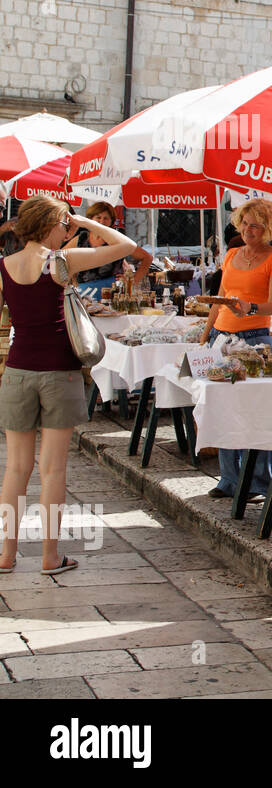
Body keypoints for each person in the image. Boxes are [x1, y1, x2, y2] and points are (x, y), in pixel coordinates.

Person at [0, 197, 139, 577]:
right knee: (53, 469)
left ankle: (6, 556)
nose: (69, 230)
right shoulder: (62, 261)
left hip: (17, 371)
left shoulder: (4, 266)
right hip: (60, 372)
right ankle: (49, 556)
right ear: (51, 224)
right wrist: (84, 221)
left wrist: (70, 221)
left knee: (16, 469)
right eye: (64, 224)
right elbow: (125, 246)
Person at [200, 199, 272, 501]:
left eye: (256, 225)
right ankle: (229, 478)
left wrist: (249, 307)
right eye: (245, 222)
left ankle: (260, 482)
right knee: (224, 408)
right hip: (222, 338)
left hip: (254, 340)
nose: (249, 229)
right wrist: (205, 336)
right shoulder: (231, 254)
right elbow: (221, 297)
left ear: (268, 228)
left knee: (257, 410)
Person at [75, 200, 153, 297]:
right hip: (84, 293)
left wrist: (132, 281)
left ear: (111, 221)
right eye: (98, 217)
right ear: (90, 218)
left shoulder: (117, 239)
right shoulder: (81, 238)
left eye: (106, 218)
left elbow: (147, 258)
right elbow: (62, 256)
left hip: (112, 293)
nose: (101, 221)